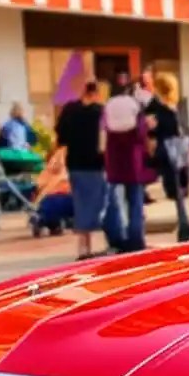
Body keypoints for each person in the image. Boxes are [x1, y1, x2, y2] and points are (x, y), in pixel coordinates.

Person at [56, 80, 118, 259]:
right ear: (98, 94)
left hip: (75, 164)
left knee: (81, 203)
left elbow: (61, 137)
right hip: (97, 164)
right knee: (103, 204)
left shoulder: (69, 110)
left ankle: (84, 247)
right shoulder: (101, 112)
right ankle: (111, 243)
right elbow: (106, 139)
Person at [103, 81, 153, 251]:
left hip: (114, 159)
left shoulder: (108, 106)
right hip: (133, 158)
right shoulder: (134, 106)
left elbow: (103, 131)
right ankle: (136, 239)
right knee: (135, 200)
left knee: (113, 201)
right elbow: (141, 132)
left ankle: (116, 237)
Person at [145, 71, 189, 241]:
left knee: (175, 189)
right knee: (178, 190)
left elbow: (155, 130)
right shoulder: (176, 107)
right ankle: (184, 224)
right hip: (179, 151)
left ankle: (184, 225)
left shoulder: (160, 109)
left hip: (167, 151)